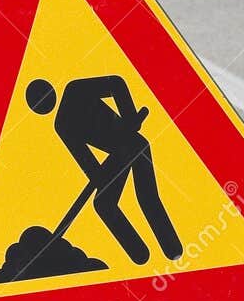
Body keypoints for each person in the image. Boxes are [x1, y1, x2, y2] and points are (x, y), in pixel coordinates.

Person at [25, 76, 183, 264]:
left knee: (146, 197)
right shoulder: (62, 125)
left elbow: (116, 83)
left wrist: (129, 116)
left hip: (135, 145)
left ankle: (171, 247)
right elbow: (87, 161)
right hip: (119, 156)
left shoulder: (74, 91)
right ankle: (140, 254)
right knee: (104, 204)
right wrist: (99, 177)